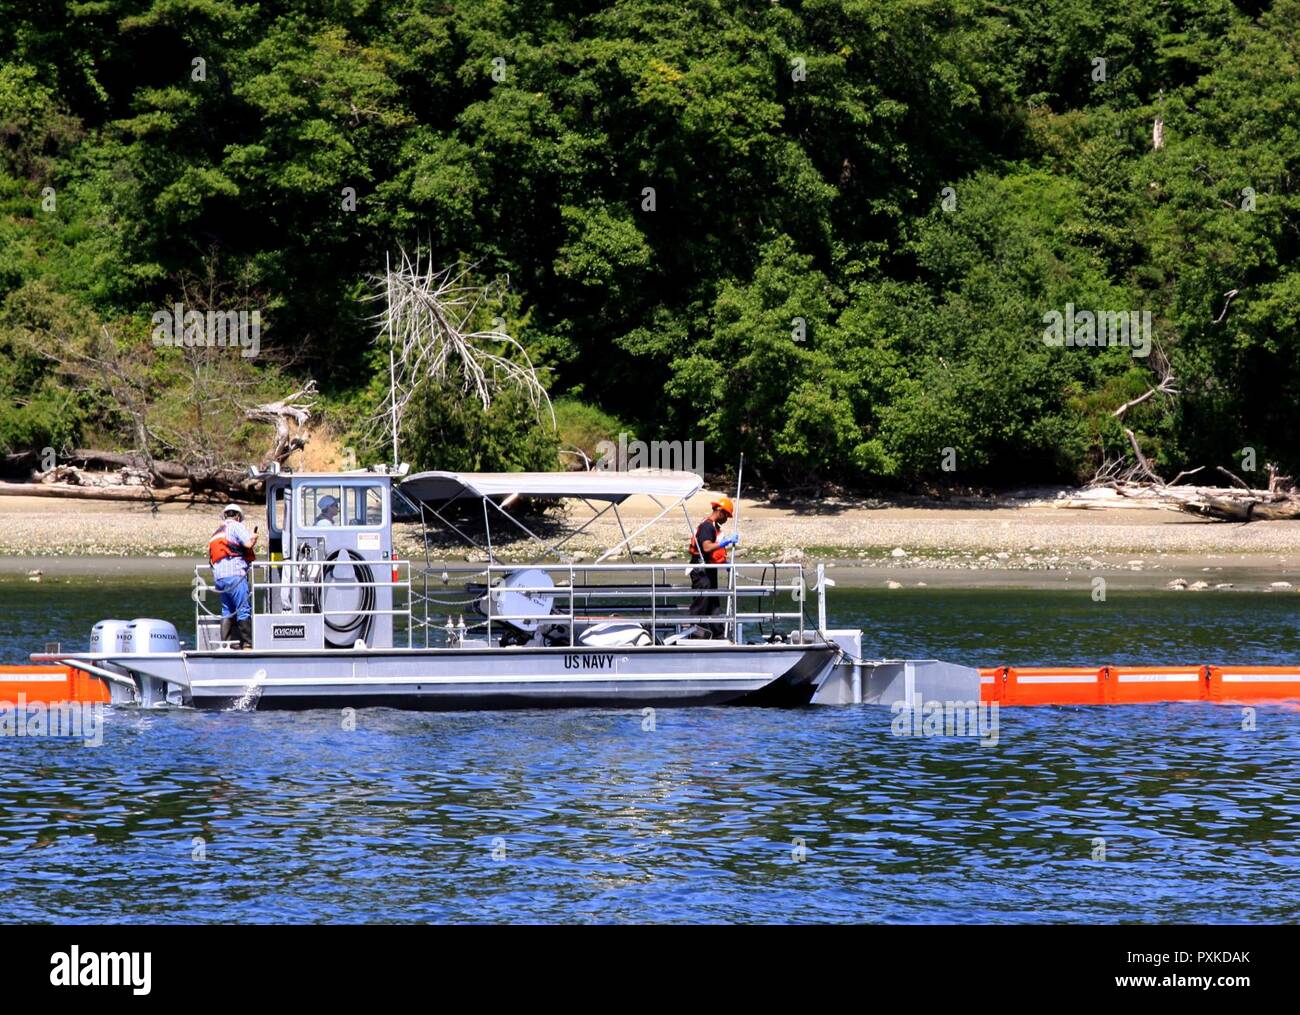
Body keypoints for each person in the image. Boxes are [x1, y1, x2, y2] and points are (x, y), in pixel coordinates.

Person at [208, 504, 258, 649]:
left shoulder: (216, 533)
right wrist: (254, 538)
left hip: (219, 578)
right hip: (235, 574)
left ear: (225, 515)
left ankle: (226, 644)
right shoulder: (236, 526)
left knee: (227, 610)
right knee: (243, 608)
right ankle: (248, 644)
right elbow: (248, 544)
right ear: (237, 516)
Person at [687, 496, 737, 637]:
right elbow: (706, 547)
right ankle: (695, 634)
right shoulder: (707, 526)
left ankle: (718, 634)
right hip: (701, 571)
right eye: (726, 515)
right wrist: (724, 542)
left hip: (709, 569)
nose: (726, 519)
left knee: (713, 603)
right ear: (720, 511)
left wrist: (724, 562)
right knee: (701, 603)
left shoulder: (712, 526)